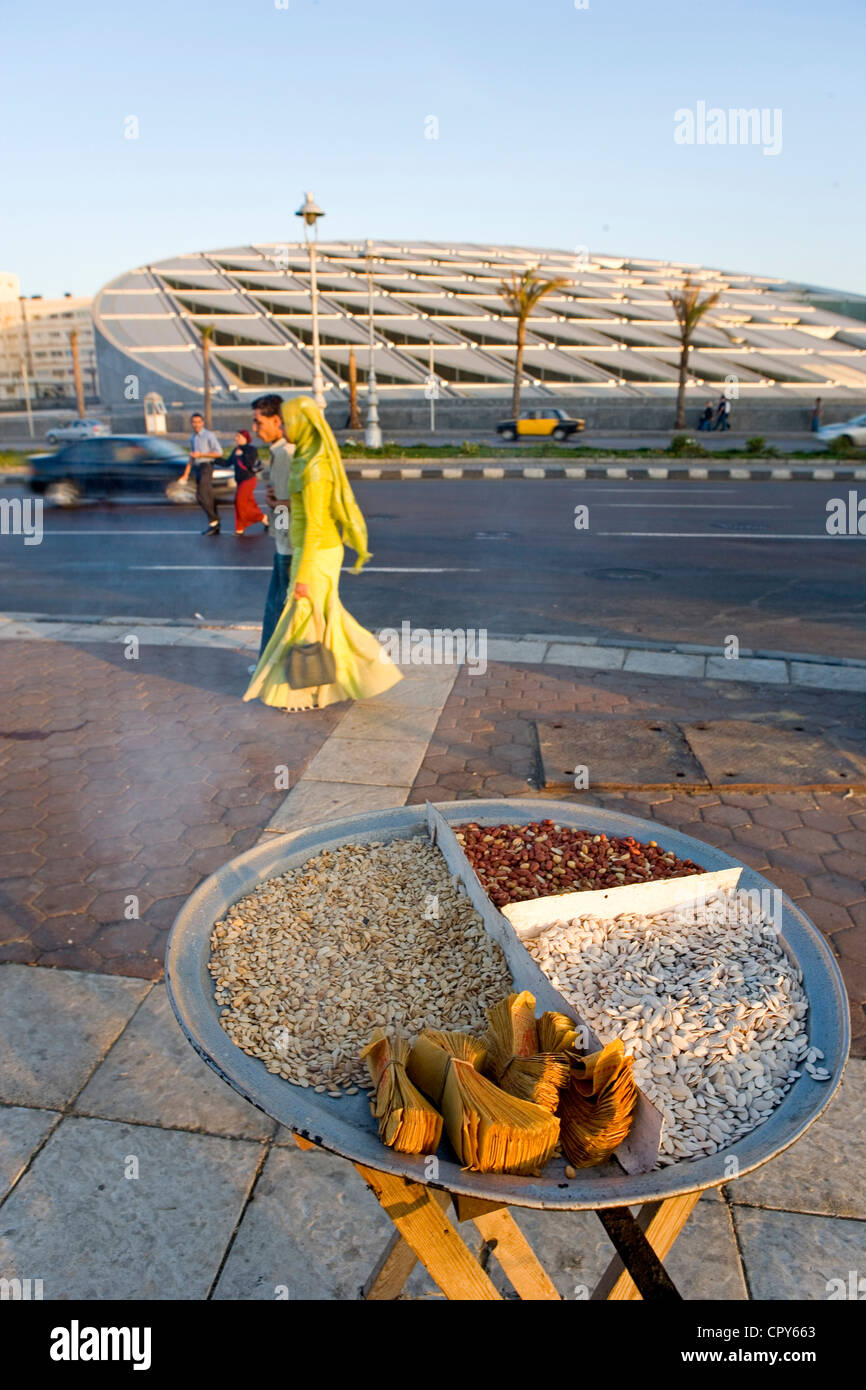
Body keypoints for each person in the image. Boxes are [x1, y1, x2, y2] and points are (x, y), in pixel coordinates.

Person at [244, 395, 403, 712]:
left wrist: (301, 576)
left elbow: (316, 525)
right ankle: (349, 677)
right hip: (308, 549)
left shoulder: (315, 467)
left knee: (306, 618)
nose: (283, 426)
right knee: (325, 621)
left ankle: (319, 684)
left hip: (316, 552)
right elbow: (301, 513)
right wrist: (281, 505)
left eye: (287, 421)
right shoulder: (305, 457)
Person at [249, 395, 294, 663]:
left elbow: (299, 502)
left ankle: (273, 665)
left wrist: (278, 506)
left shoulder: (287, 455)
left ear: (276, 420)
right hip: (283, 543)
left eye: (259, 422)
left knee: (279, 607)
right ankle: (269, 663)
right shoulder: (278, 453)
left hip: (290, 545)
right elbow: (283, 502)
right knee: (275, 606)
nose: (256, 428)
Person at [180, 412, 223, 535]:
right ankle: (214, 525)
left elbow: (219, 453)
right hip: (199, 467)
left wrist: (202, 454)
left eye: (199, 422)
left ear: (203, 422)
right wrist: (185, 474)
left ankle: (214, 520)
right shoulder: (193, 437)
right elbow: (192, 457)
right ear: (191, 424)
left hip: (207, 466)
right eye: (194, 422)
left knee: (201, 495)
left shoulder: (209, 435)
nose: (196, 425)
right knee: (207, 496)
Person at [231, 429, 266, 535]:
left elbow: (249, 463)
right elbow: (227, 462)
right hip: (240, 480)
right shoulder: (236, 450)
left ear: (245, 438)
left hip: (249, 479)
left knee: (239, 501)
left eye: (239, 436)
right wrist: (212, 459)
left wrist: (241, 455)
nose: (236, 438)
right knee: (249, 503)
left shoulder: (251, 449)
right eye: (236, 436)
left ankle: (261, 517)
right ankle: (240, 528)